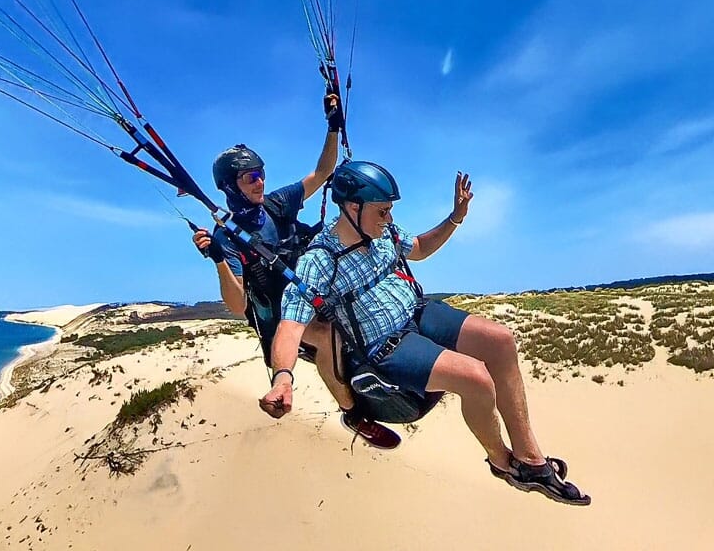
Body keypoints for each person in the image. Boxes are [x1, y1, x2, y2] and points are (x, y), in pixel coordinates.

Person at [259, 160, 591, 506]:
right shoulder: (320, 260)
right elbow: (290, 324)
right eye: (382, 211)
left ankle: (531, 460)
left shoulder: (382, 231)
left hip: (419, 313)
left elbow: (417, 248)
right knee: (476, 378)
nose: (388, 218)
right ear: (352, 208)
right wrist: (283, 378)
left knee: (500, 340)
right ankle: (501, 460)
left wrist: (455, 218)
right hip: (386, 346)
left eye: (389, 211)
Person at [193, 96, 401, 450]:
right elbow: (238, 305)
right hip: (284, 318)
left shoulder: (277, 203)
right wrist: (217, 259)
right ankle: (352, 413)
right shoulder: (227, 238)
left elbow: (322, 173)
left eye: (262, 174)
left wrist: (333, 126)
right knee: (329, 334)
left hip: (316, 292)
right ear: (230, 186)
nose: (260, 183)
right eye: (251, 177)